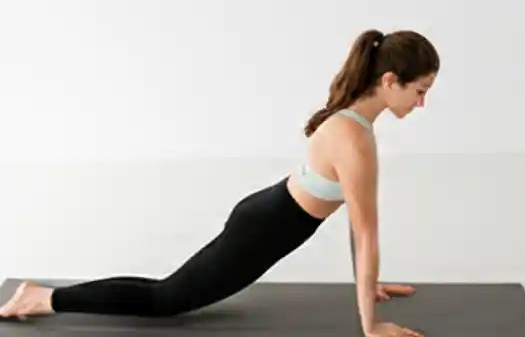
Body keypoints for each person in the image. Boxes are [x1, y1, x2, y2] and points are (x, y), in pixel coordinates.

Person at [0, 29, 440, 337]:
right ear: (389, 82)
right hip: (264, 230)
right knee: (165, 299)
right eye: (419, 90)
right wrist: (370, 325)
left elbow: (357, 226)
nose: (422, 103)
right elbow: (366, 233)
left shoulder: (353, 125)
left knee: (167, 290)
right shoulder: (355, 139)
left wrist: (369, 285)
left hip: (266, 215)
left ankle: (44, 296)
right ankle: (43, 299)